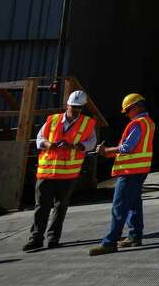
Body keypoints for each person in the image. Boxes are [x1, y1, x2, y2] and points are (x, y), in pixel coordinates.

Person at [23, 90, 97, 251]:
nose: (75, 110)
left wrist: (76, 146)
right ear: (67, 105)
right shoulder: (53, 120)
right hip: (47, 172)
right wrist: (48, 144)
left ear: (82, 108)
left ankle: (53, 239)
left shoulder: (87, 123)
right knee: (41, 207)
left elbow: (92, 143)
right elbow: (40, 138)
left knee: (60, 207)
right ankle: (35, 239)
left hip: (68, 174)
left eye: (79, 107)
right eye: (73, 107)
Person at [88, 93, 156, 256]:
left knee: (119, 207)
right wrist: (109, 152)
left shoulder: (137, 124)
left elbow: (127, 148)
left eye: (127, 110)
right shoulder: (148, 122)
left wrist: (107, 150)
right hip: (139, 170)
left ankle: (109, 242)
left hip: (130, 172)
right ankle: (134, 236)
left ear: (137, 107)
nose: (126, 114)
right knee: (134, 204)